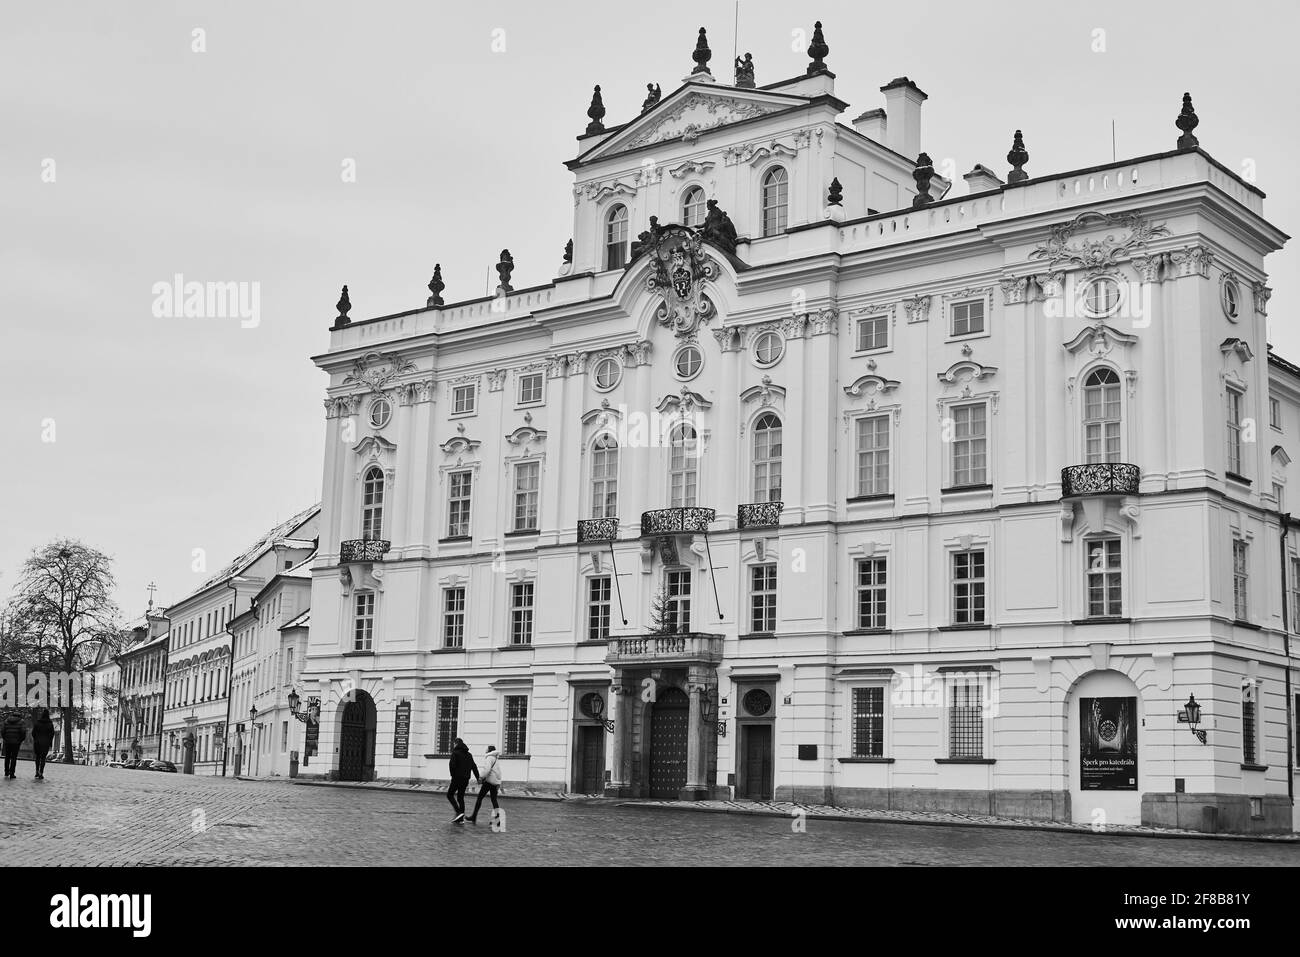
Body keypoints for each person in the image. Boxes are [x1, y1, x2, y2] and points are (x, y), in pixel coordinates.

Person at [446, 738, 479, 824]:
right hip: (465, 779)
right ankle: (461, 819)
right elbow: (474, 767)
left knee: (450, 795)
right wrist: (478, 778)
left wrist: (453, 776)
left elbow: (452, 766)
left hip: (457, 778)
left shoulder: (455, 753)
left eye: (454, 744)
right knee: (460, 797)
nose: (453, 746)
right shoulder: (469, 755)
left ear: (456, 744)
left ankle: (458, 812)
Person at [467, 745, 503, 824]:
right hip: (495, 782)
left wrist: (481, 777)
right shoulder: (496, 759)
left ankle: (474, 816)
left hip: (489, 781)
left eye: (486, 750)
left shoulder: (489, 758)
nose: (485, 751)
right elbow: (499, 772)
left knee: (480, 798)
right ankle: (497, 820)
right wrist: (498, 782)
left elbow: (487, 769)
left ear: (489, 751)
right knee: (494, 800)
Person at [31, 708, 55, 780]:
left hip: (37, 742)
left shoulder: (37, 723)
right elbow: (52, 734)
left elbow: (33, 733)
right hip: (45, 743)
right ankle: (41, 772)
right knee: (43, 758)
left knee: (37, 757)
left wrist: (36, 739)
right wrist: (50, 743)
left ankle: (37, 771)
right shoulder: (50, 724)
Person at [1, 712, 27, 779]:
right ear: (19, 716)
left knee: (7, 757)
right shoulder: (21, 722)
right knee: (14, 757)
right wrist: (21, 739)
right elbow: (23, 731)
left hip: (7, 741)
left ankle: (6, 772)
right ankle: (12, 773)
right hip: (16, 742)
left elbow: (2, 731)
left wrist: (5, 738)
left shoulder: (6, 721)